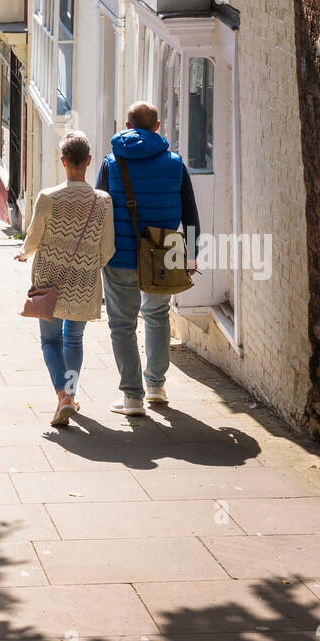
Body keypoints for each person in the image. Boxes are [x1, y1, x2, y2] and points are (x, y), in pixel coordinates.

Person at [95, 101, 200, 416]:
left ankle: (132, 397)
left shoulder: (112, 163)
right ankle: (155, 386)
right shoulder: (175, 163)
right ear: (157, 127)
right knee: (157, 316)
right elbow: (190, 214)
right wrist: (192, 256)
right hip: (163, 255)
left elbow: (98, 211)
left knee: (122, 324)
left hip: (120, 256)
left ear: (128, 126)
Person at [16, 131, 115, 427]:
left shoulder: (49, 197)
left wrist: (23, 253)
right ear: (88, 161)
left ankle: (62, 395)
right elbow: (107, 248)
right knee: (74, 339)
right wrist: (87, 265)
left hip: (49, 280)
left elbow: (33, 237)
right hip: (84, 281)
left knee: (50, 340)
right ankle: (70, 393)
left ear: (63, 162)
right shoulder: (103, 201)